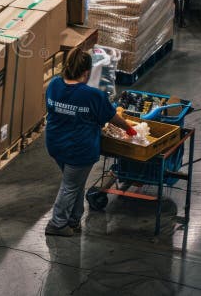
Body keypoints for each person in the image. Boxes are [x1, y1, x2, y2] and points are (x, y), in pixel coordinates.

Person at [44, 48, 137, 237]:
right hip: (78, 149)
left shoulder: (54, 85)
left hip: (55, 144)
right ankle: (57, 223)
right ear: (86, 72)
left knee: (74, 183)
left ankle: (73, 219)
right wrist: (129, 128)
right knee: (70, 185)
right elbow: (112, 117)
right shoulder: (92, 95)